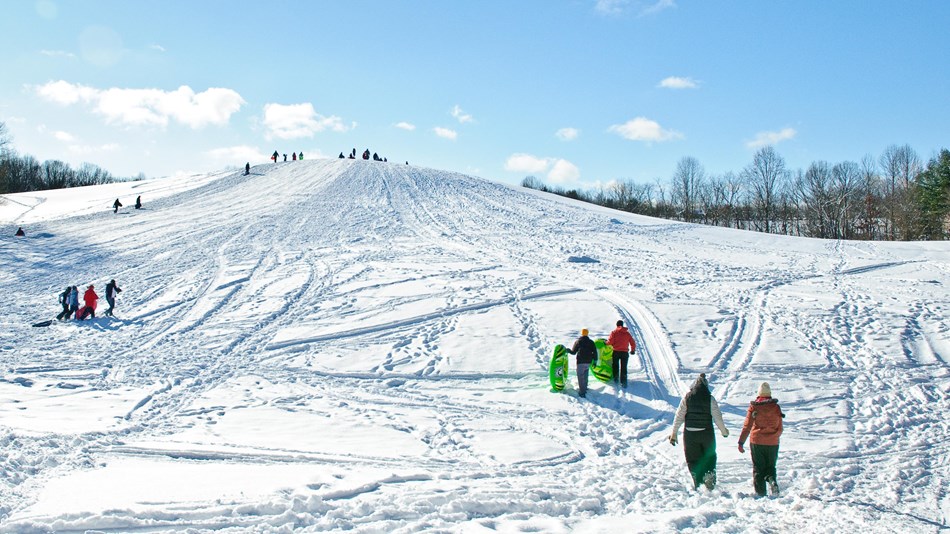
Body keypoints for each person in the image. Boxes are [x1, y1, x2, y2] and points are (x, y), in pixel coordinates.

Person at [669, 373, 729, 490]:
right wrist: (723, 431)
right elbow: (717, 416)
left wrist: (674, 434)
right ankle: (709, 475)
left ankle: (698, 480)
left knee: (692, 459)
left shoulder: (687, 397)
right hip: (707, 433)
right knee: (710, 456)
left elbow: (679, 416)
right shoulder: (709, 398)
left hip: (690, 434)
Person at [738, 382, 784, 497]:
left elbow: (747, 426)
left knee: (758, 468)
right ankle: (772, 480)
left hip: (757, 441)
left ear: (759, 394)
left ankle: (760, 494)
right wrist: (775, 436)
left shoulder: (754, 407)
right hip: (773, 442)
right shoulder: (776, 407)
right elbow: (780, 426)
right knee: (770, 466)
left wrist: (741, 442)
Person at [567, 329, 597, 398]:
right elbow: (595, 352)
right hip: (588, 361)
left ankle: (582, 392)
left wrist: (568, 351)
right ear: (587, 334)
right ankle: (585, 388)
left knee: (580, 376)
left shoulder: (578, 341)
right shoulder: (591, 342)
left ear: (582, 333)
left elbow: (574, 352)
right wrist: (595, 361)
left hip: (580, 361)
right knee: (586, 374)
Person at [607, 320, 635, 389]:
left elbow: (610, 342)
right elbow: (632, 342)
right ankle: (624, 382)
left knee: (615, 366)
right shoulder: (627, 333)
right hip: (625, 353)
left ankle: (616, 379)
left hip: (616, 352)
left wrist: (606, 343)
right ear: (622, 325)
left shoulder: (614, 332)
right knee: (624, 367)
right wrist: (632, 350)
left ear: (617, 325)